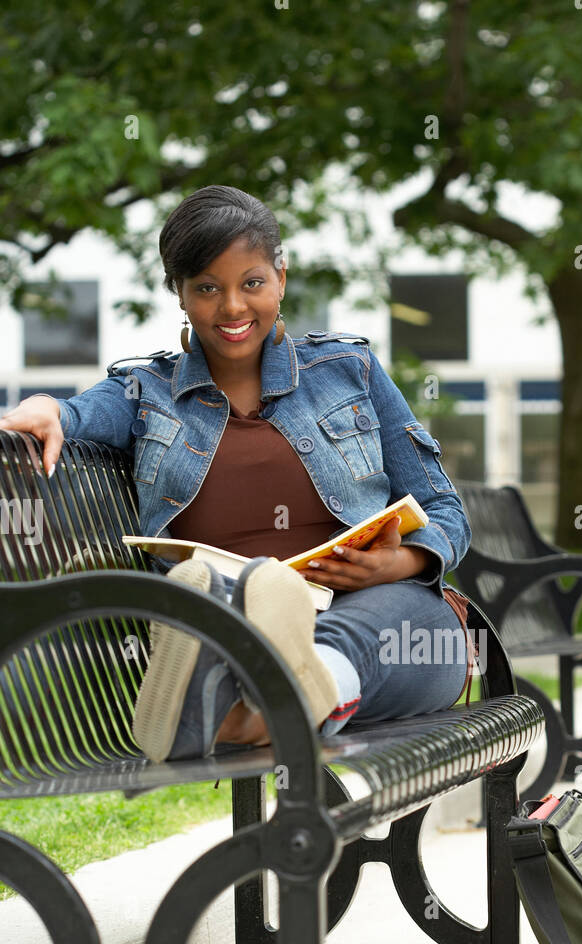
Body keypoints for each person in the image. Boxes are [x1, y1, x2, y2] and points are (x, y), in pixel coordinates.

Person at [0, 185, 471, 760]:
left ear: (281, 276)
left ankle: (233, 713)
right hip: (232, 619)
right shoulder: (146, 392)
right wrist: (46, 409)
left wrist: (401, 562)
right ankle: (255, 698)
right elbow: (76, 413)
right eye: (206, 289)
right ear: (179, 293)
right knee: (243, 603)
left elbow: (444, 509)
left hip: (388, 617)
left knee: (363, 632)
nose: (232, 309)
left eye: (252, 283)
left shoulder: (351, 372)